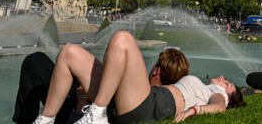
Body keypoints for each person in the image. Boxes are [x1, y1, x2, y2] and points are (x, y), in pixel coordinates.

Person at [32, 32, 242, 124]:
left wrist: (195, 110)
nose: (222, 78)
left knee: (123, 39)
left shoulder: (218, 94)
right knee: (69, 52)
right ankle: (45, 119)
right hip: (135, 101)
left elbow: (219, 107)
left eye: (228, 84)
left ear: (229, 94)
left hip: (153, 105)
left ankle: (97, 115)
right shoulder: (206, 87)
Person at [14, 45, 189, 123]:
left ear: (156, 71)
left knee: (34, 63)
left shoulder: (134, 101)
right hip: (80, 98)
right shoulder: (158, 101)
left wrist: (82, 98)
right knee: (35, 61)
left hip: (77, 109)